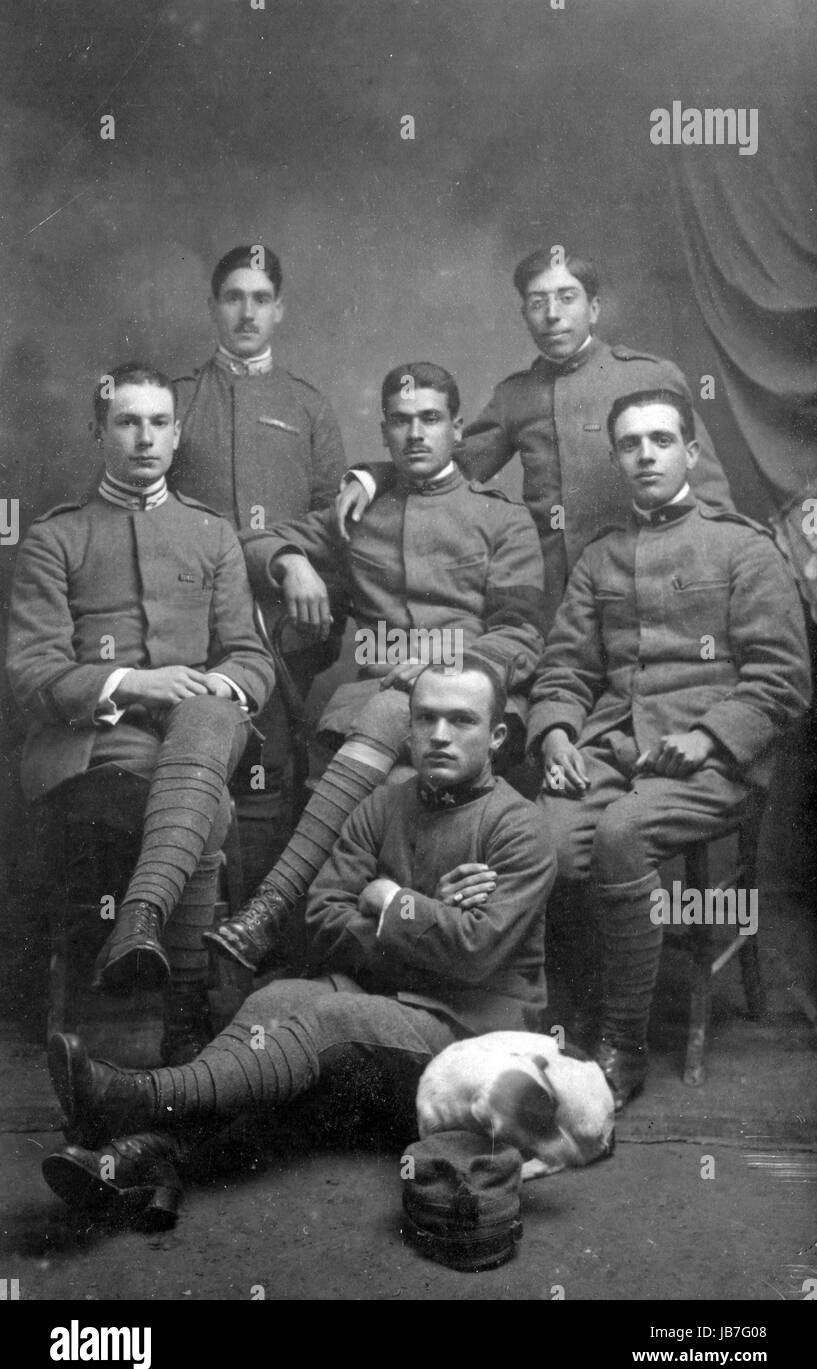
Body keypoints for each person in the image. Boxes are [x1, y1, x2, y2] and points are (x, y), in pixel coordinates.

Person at [42, 658, 556, 1228]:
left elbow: (473, 954)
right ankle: (142, 1156)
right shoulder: (383, 806)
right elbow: (323, 918)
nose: (439, 736)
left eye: (461, 721)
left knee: (324, 1021)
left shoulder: (519, 826)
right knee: (273, 1002)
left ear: (497, 736)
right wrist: (431, 913)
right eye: (426, 718)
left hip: (476, 1036)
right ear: (407, 727)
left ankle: (137, 1096)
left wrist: (387, 899)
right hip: (383, 1001)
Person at [203, 361, 546, 973]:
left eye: (431, 420)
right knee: (387, 710)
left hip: (475, 707)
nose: (416, 434)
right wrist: (292, 562)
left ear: (457, 429)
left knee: (396, 705)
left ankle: (270, 908)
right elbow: (244, 543)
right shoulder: (363, 512)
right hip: (375, 712)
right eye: (401, 421)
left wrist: (446, 663)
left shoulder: (502, 518)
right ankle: (342, 952)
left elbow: (520, 632)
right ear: (384, 431)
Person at [525, 388, 811, 1109]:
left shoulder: (742, 546)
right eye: (629, 444)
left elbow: (782, 678)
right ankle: (573, 1014)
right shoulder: (601, 556)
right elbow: (564, 666)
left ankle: (622, 1042)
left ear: (689, 451)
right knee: (545, 839)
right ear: (617, 458)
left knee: (621, 834)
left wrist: (707, 734)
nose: (644, 454)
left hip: (717, 760)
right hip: (614, 749)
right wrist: (556, 729)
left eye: (660, 439)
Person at [5, 363, 276, 1060]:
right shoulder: (57, 538)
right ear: (99, 433)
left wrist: (208, 691)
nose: (144, 439)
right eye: (126, 423)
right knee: (209, 807)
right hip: (93, 744)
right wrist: (135, 683)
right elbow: (33, 675)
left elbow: (249, 656)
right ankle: (185, 1016)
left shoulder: (210, 534)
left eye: (158, 423)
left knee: (213, 715)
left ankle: (140, 928)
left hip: (191, 730)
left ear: (177, 434)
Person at [336, 250, 734, 634]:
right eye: (537, 302)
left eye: (566, 298)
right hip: (553, 591)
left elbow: (708, 492)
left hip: (644, 571)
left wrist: (706, 570)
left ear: (593, 309)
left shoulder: (650, 377)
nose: (553, 314)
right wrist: (373, 477)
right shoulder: (516, 396)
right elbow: (446, 463)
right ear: (524, 315)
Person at [170, 245, 348, 882]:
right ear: (214, 307)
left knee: (273, 773)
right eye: (233, 298)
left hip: (281, 621)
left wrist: (292, 559)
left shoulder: (307, 405)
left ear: (280, 310)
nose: (247, 312)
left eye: (261, 299)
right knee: (194, 768)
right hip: (189, 618)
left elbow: (335, 519)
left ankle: (257, 940)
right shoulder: (178, 400)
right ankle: (194, 935)